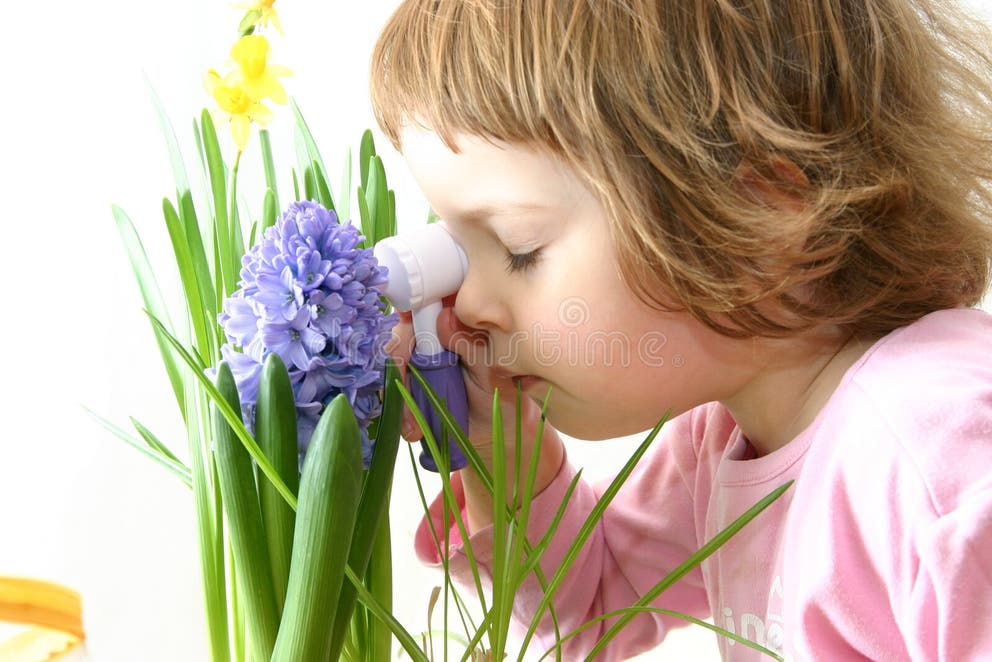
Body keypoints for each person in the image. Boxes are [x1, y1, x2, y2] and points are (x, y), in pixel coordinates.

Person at [371, 0, 992, 659]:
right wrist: (502, 452)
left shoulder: (938, 454)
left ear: (757, 224)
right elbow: (589, 613)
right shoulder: (722, 436)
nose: (468, 304)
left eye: (519, 247)